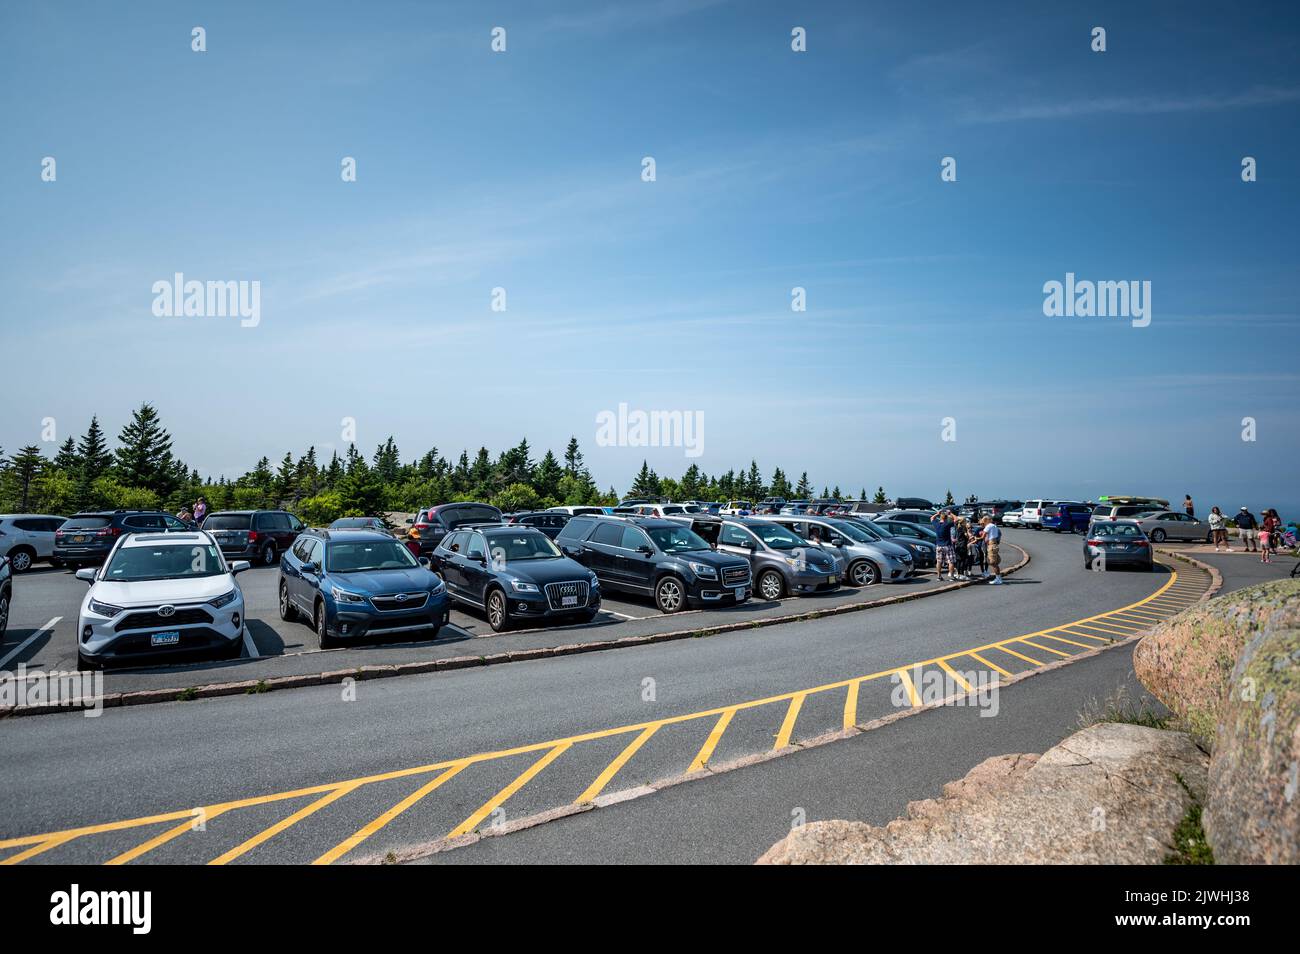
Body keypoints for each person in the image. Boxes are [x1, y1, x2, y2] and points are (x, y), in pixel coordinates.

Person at [931, 510, 955, 581]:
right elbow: (956, 519)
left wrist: (937, 514)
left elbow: (931, 518)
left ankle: (939, 576)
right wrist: (951, 513)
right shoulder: (947, 524)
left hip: (939, 545)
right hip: (947, 545)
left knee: (939, 561)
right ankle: (951, 577)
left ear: (940, 517)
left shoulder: (937, 524)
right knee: (951, 561)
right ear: (946, 517)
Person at [980, 515, 1003, 584]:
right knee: (994, 562)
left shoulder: (988, 526)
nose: (982, 523)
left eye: (983, 521)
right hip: (994, 544)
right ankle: (998, 578)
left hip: (991, 545)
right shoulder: (994, 526)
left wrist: (976, 538)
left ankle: (998, 579)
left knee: (993, 563)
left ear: (986, 520)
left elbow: (983, 536)